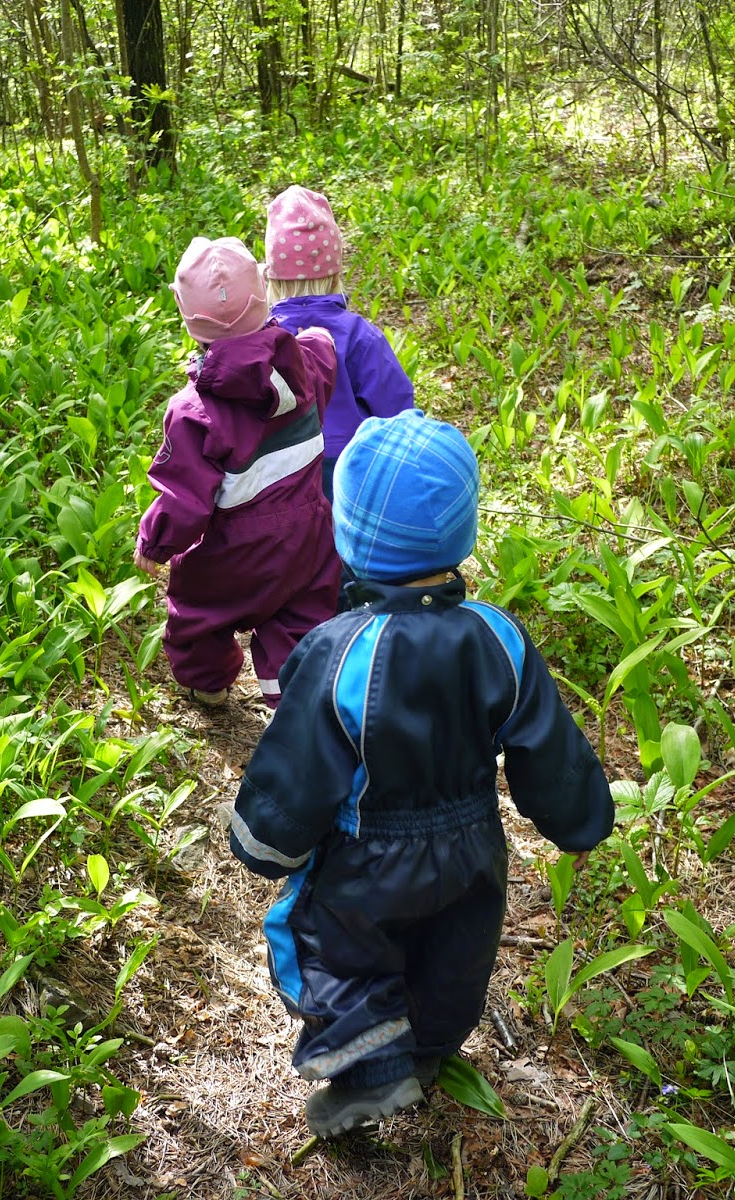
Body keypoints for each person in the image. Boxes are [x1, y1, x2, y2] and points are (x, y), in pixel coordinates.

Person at [228, 411, 614, 1137]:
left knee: (324, 943)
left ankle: (375, 1066)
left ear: (349, 536)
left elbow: (298, 764)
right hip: (471, 845)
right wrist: (580, 821)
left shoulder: (337, 650)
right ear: (461, 532)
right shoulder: (498, 637)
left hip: (365, 849)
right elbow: (547, 747)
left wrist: (263, 842)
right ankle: (427, 1052)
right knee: (452, 954)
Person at [134, 236, 341, 710]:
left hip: (232, 552)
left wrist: (155, 540)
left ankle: (208, 684)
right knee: (301, 613)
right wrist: (322, 337)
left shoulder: (193, 411)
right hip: (308, 538)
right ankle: (294, 702)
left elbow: (184, 497)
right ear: (264, 295)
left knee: (197, 612)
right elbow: (323, 353)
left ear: (188, 321)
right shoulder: (305, 364)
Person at [262, 185, 416, 501]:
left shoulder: (263, 340)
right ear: (335, 273)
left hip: (281, 478)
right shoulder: (360, 336)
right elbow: (398, 411)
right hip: (355, 475)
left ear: (272, 278)